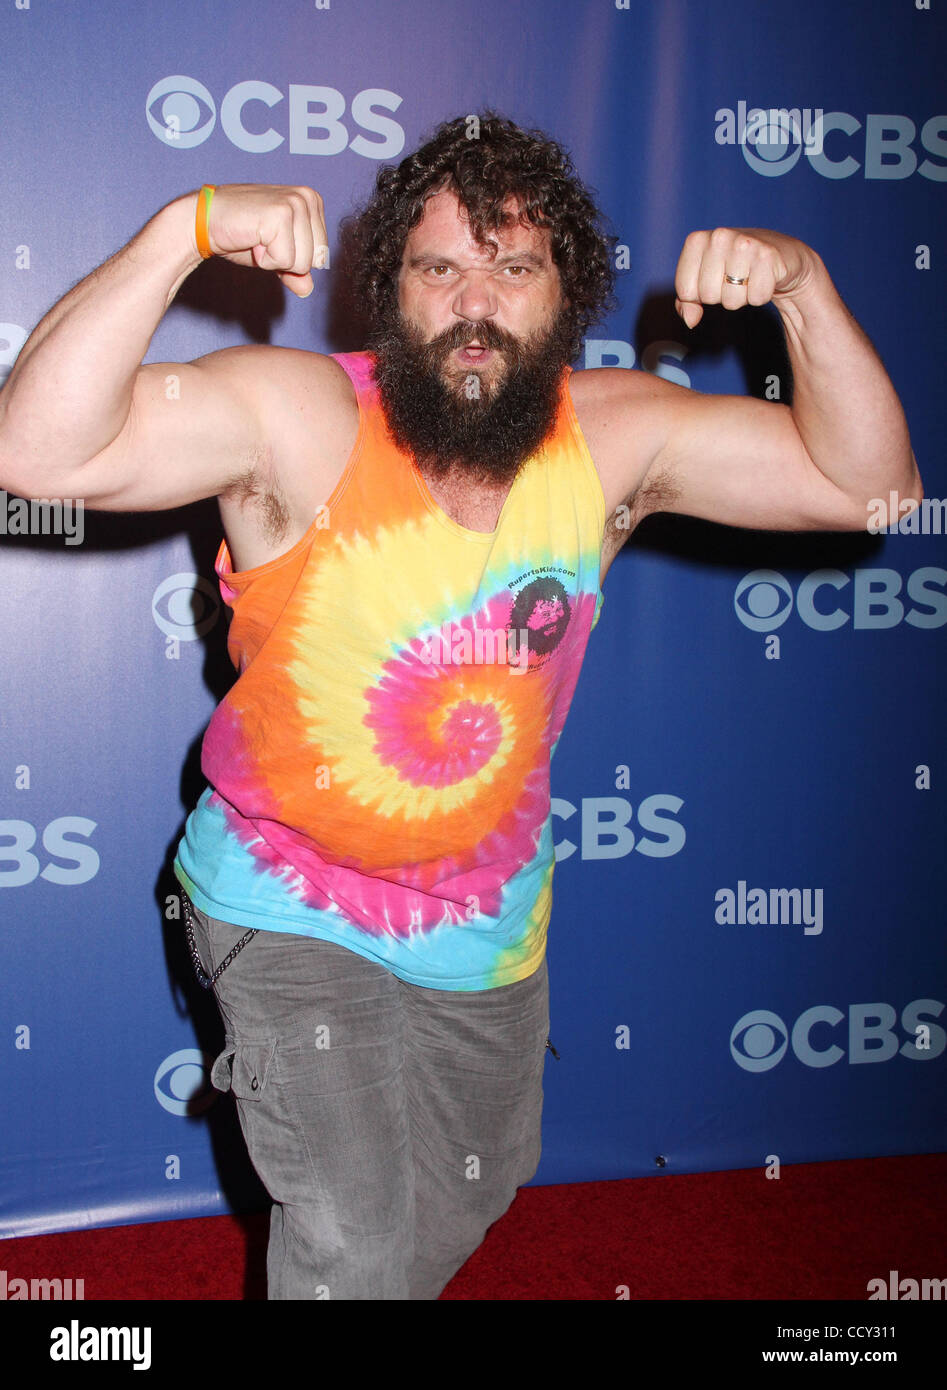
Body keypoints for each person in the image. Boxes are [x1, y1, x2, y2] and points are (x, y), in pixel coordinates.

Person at [0, 113, 921, 1301]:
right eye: (438, 266)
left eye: (513, 267)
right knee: (356, 1236)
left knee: (469, 1192)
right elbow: (34, 454)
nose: (473, 300)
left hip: (485, 921)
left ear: (565, 295)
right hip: (284, 894)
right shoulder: (299, 418)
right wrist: (180, 233)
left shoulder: (611, 434)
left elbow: (872, 492)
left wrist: (803, 286)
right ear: (389, 288)